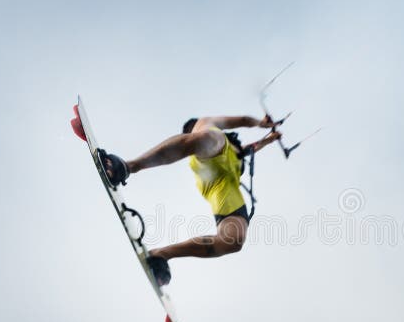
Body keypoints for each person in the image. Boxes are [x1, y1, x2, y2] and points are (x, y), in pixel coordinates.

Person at [98, 115, 282, 286]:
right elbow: (241, 120)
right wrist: (260, 123)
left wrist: (270, 138)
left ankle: (161, 255)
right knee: (209, 137)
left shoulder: (237, 154)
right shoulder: (206, 125)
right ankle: (129, 166)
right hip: (209, 161)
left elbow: (252, 147)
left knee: (233, 241)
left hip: (227, 194)